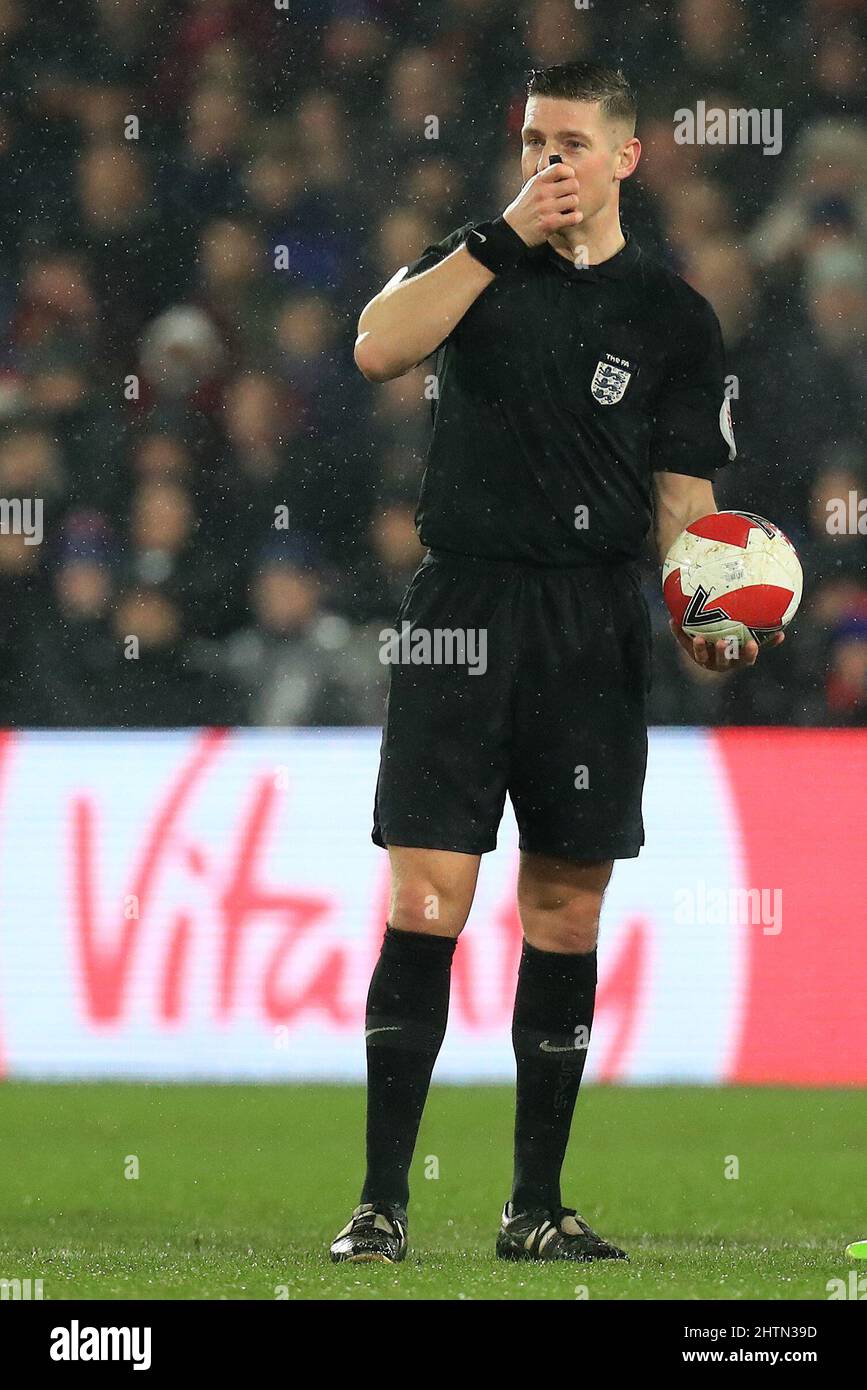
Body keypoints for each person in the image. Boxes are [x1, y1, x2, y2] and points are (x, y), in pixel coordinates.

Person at [330, 61, 781, 1266]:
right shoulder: (472, 262)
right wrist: (495, 238)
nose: (551, 163)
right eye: (535, 140)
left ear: (626, 156)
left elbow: (685, 506)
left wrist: (706, 615)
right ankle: (381, 1204)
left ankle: (535, 1206)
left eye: (574, 143)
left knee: (566, 911)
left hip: (593, 620)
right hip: (461, 604)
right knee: (426, 894)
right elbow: (376, 347)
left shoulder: (675, 318)